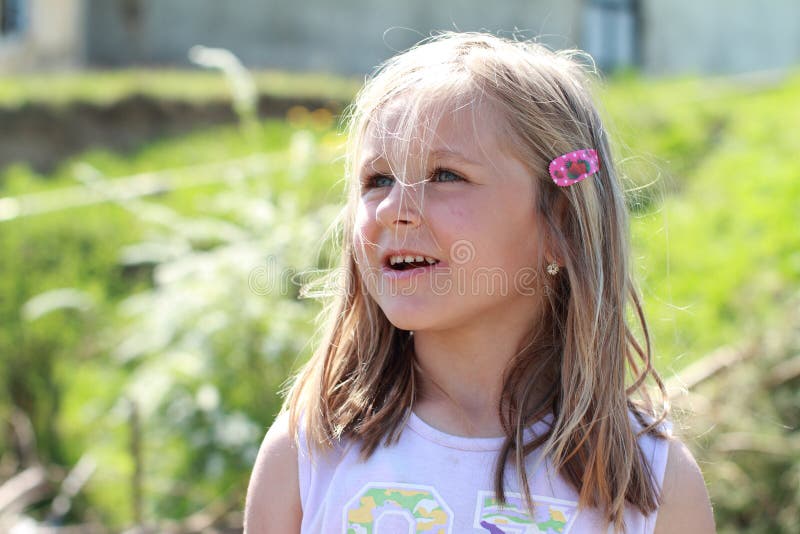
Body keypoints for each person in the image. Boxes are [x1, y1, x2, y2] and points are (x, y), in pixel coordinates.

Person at [244, 32, 715, 533]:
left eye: (445, 175)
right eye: (377, 180)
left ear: (561, 223)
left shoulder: (655, 487)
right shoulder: (308, 454)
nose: (393, 209)